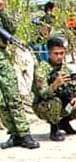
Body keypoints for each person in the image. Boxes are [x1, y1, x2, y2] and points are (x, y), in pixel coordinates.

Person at [32, 36, 76, 142]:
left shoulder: (65, 68)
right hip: (43, 105)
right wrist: (54, 85)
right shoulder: (41, 69)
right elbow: (42, 94)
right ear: (49, 54)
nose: (59, 57)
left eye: (61, 53)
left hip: (63, 102)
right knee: (56, 102)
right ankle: (54, 129)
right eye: (56, 54)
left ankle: (64, 123)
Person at [0, 0, 38, 149]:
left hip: (2, 56)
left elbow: (12, 29)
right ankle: (14, 134)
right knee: (1, 101)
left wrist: (2, 10)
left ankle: (24, 133)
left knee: (12, 95)